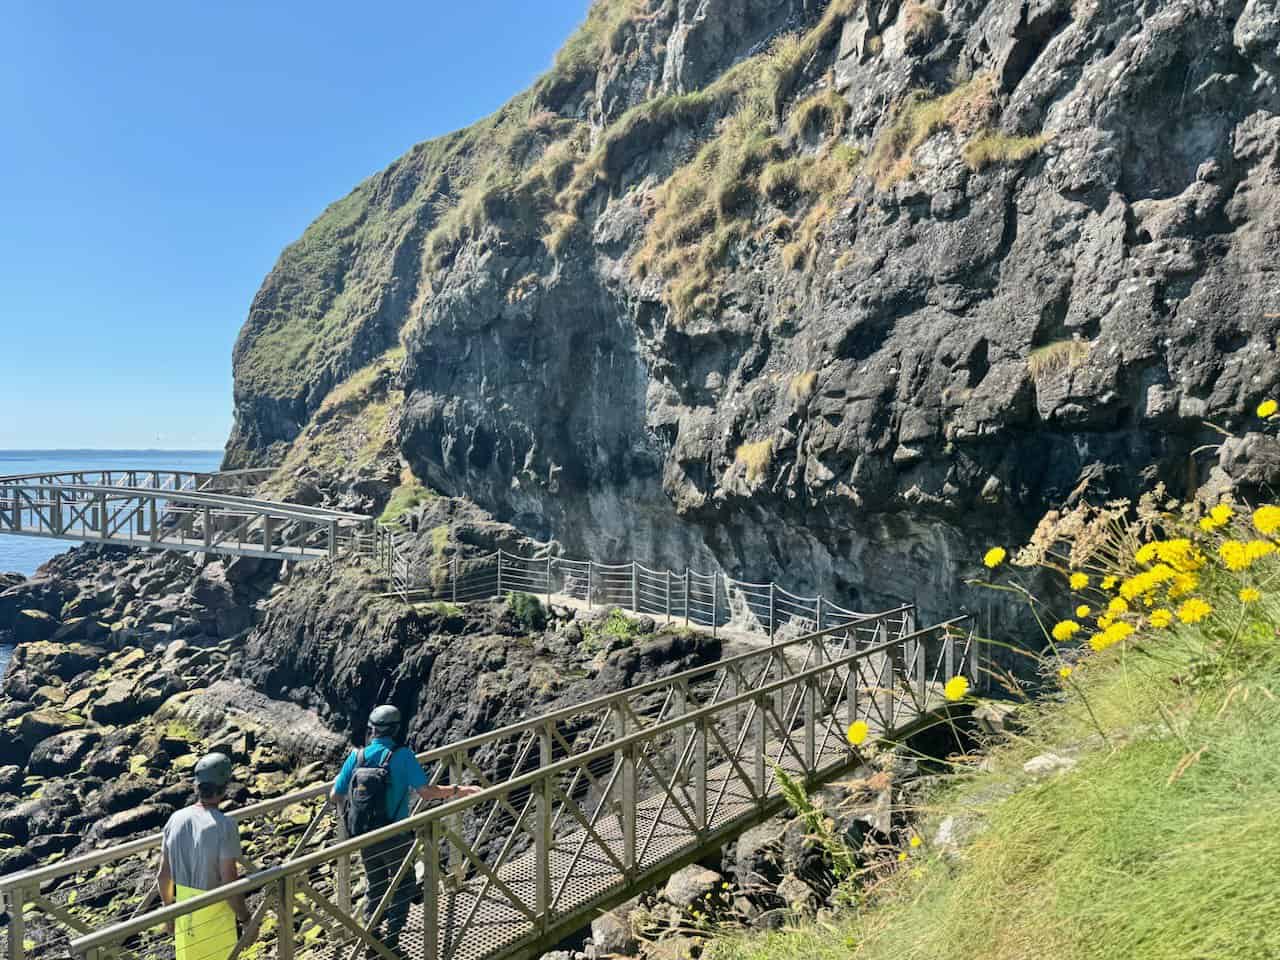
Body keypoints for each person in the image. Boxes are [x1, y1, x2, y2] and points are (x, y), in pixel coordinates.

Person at [331, 705, 480, 947]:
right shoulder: (402, 755)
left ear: (372, 729)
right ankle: (392, 939)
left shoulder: (356, 756)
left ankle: (372, 937)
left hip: (364, 835)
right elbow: (426, 793)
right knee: (403, 884)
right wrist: (458, 790)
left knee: (375, 885)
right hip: (395, 834)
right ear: (396, 729)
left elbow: (334, 795)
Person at [157, 752, 252, 960]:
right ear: (225, 787)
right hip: (214, 911)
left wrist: (168, 913)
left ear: (196, 786)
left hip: (184, 911)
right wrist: (246, 919)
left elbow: (163, 875)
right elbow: (229, 882)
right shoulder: (225, 825)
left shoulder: (175, 819)